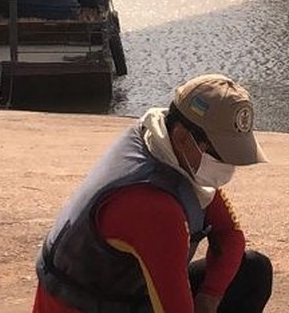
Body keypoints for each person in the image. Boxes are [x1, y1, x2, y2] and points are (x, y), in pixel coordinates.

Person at [33, 74, 272, 313]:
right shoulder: (154, 207)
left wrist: (209, 297)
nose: (229, 166)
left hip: (120, 296)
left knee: (253, 270)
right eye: (221, 155)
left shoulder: (165, 148)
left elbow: (229, 233)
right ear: (181, 137)